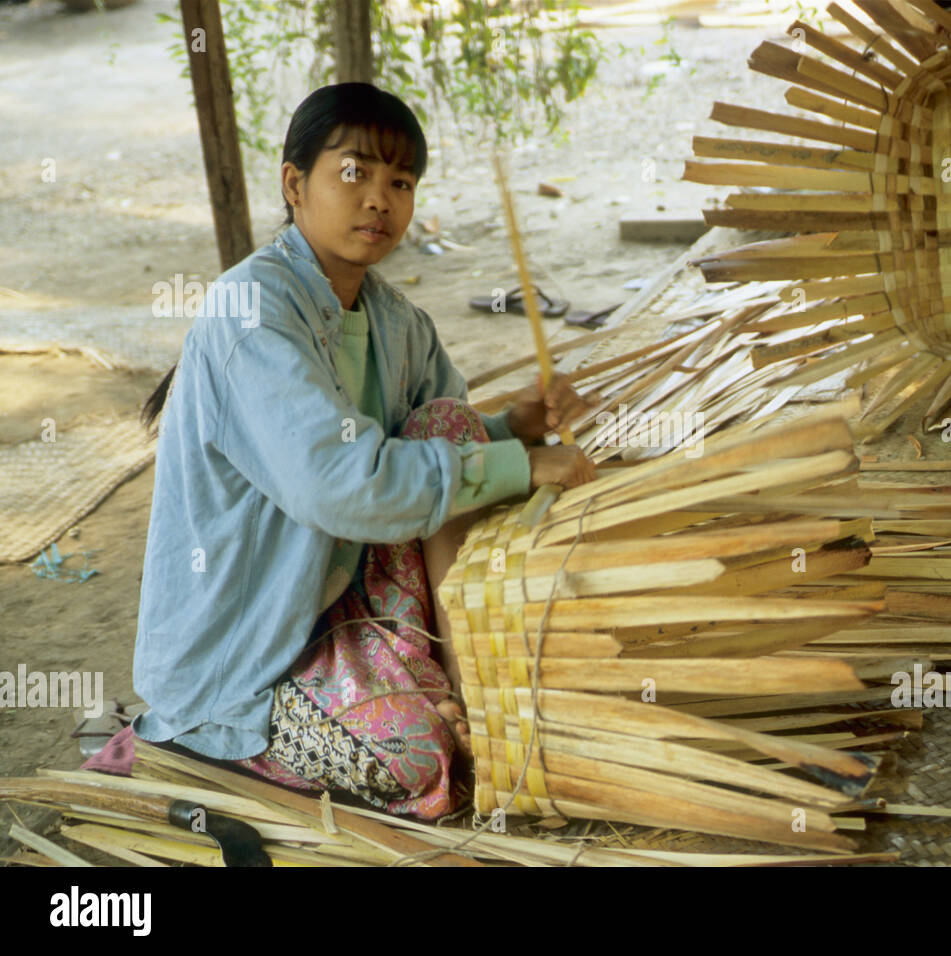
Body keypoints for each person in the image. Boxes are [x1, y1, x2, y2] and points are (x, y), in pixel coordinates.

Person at [95, 82, 596, 820]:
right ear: (295, 184)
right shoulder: (252, 313)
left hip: (337, 609)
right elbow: (340, 485)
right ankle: (204, 743)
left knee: (450, 426)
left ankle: (458, 682)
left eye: (401, 182)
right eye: (355, 173)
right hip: (245, 661)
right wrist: (520, 465)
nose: (379, 200)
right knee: (419, 754)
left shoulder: (398, 321)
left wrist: (508, 431)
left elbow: (440, 453)